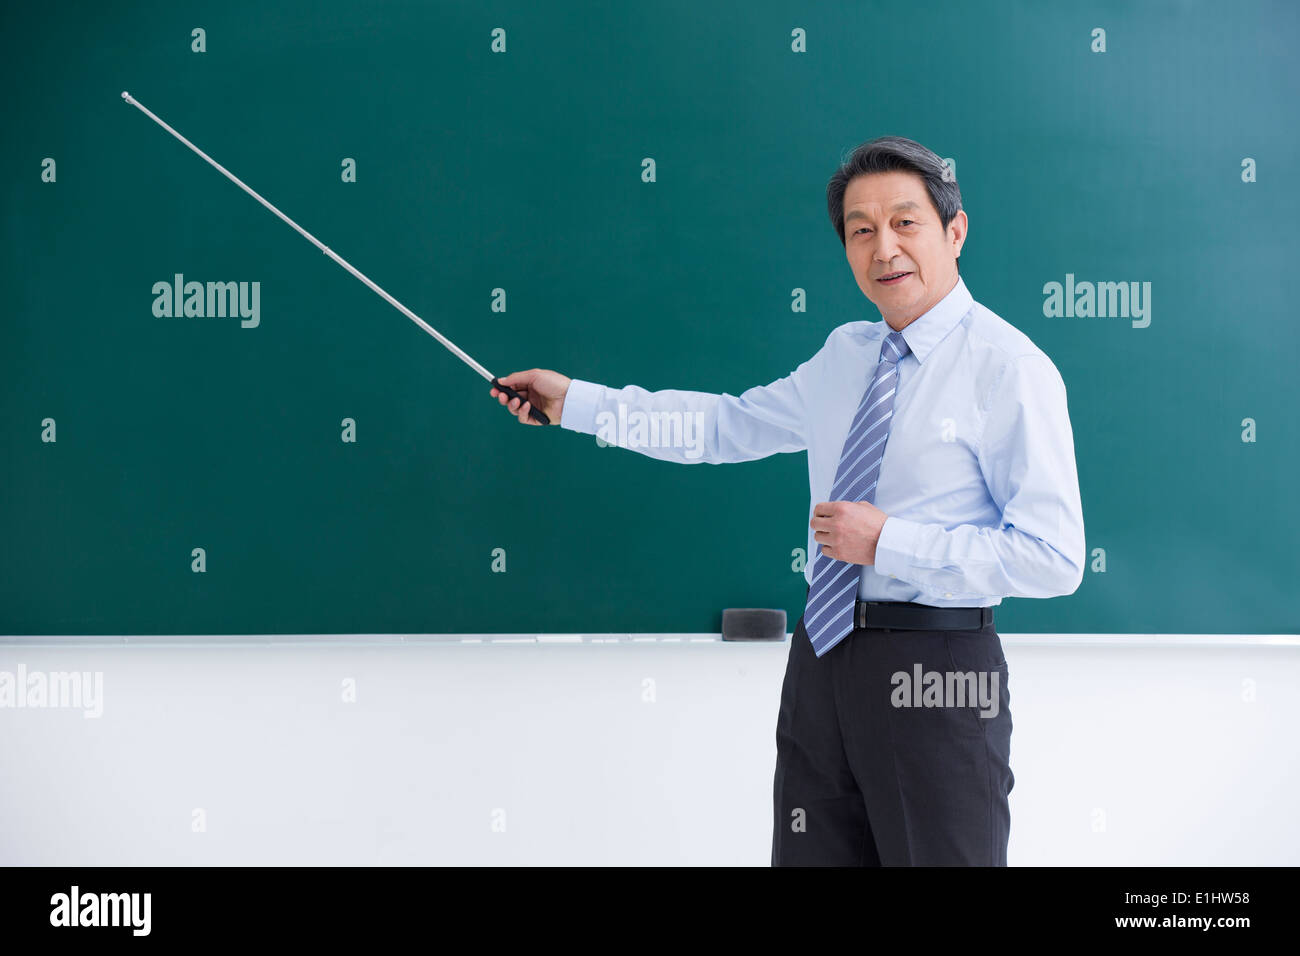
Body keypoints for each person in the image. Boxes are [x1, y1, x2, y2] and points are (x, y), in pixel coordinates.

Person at [488, 136, 1085, 866]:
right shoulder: (847, 354)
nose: (884, 247)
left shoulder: (1010, 368)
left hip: (938, 668)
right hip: (823, 659)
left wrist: (888, 543)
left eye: (906, 223)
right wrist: (575, 404)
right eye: (861, 231)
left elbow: (1054, 558)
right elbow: (723, 425)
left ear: (954, 231)